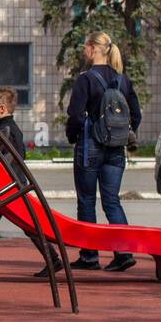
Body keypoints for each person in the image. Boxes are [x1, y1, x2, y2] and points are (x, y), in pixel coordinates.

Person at [65, 31, 140, 272]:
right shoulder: (122, 79)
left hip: (90, 147)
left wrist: (73, 135)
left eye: (85, 47)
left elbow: (75, 114)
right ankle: (124, 252)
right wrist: (124, 134)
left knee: (86, 201)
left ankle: (89, 255)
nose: (84, 51)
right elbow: (135, 114)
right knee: (111, 200)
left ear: (93, 49)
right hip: (116, 149)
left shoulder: (86, 79)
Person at [0, 88, 64, 275]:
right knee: (24, 224)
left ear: (2, 108)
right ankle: (53, 259)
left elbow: (11, 155)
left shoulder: (7, 129)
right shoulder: (6, 128)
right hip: (11, 185)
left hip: (9, 186)